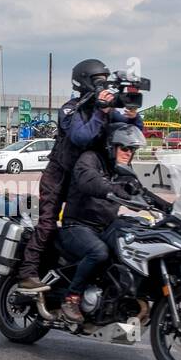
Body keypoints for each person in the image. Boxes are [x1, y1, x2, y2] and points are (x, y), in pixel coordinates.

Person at [16, 59, 143, 293]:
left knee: (85, 228)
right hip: (59, 177)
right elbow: (80, 137)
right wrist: (100, 111)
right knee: (47, 223)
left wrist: (132, 113)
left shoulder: (104, 110)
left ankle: (72, 273)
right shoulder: (71, 108)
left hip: (81, 177)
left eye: (105, 80)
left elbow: (131, 128)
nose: (103, 85)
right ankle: (28, 272)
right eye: (98, 80)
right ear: (84, 80)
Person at [54, 123, 145, 321]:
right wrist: (116, 190)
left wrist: (168, 208)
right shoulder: (90, 159)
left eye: (132, 149)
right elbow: (91, 181)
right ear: (111, 146)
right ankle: (72, 297)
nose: (128, 153)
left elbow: (140, 193)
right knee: (99, 252)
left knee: (135, 243)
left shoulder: (124, 170)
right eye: (125, 148)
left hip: (105, 227)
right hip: (76, 226)